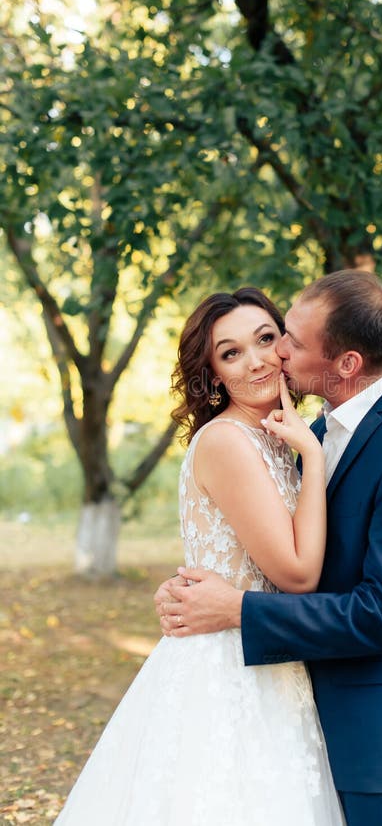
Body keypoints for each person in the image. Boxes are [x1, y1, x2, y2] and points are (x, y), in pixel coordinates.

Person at [155, 270, 382, 826]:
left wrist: (236, 608)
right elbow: (270, 541)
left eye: (286, 341)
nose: (275, 356)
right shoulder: (310, 434)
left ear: (345, 364)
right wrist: (198, 580)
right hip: (295, 714)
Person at [54, 287, 345, 826]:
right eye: (230, 353)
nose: (256, 360)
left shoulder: (276, 436)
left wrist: (301, 446)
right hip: (229, 671)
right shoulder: (228, 442)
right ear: (213, 375)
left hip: (272, 658)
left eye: (264, 339)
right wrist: (313, 453)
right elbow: (299, 574)